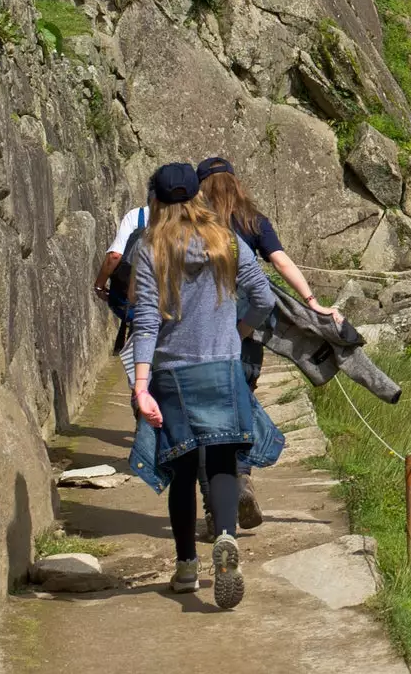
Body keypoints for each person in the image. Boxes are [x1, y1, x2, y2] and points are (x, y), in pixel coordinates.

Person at [128, 164, 280, 609]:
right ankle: (227, 535)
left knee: (180, 470)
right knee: (221, 460)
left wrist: (141, 387)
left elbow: (147, 320)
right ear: (197, 197)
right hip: (224, 368)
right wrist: (240, 331)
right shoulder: (227, 241)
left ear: (156, 199)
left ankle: (187, 565)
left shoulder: (149, 247)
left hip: (173, 373)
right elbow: (265, 298)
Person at [195, 156, 337, 532]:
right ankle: (241, 476)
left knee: (206, 418)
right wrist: (312, 301)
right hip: (246, 330)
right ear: (235, 183)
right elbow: (281, 262)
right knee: (240, 402)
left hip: (202, 333)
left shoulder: (194, 225)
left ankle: (215, 508)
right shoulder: (253, 221)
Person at [93, 166, 199, 387]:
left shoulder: (137, 217)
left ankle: (142, 396)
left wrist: (100, 285)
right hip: (186, 312)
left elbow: (114, 256)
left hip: (144, 303)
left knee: (144, 354)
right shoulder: (207, 230)